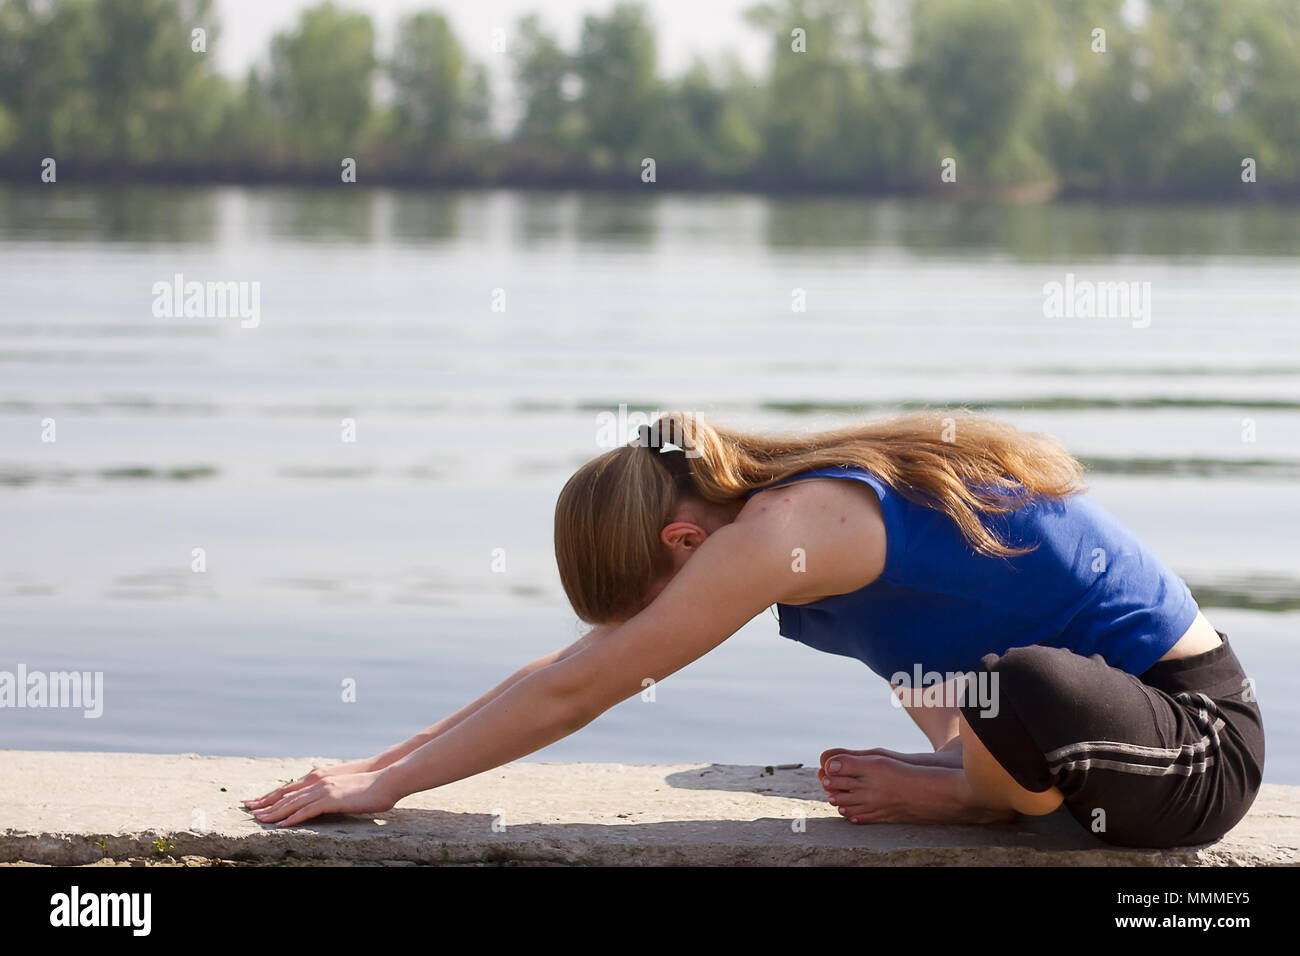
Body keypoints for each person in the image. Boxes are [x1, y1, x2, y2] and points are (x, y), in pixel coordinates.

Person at [243, 409, 1265, 848]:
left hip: (1193, 747)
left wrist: (390, 790)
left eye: (648, 600)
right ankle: (973, 791)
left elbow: (583, 686)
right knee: (1003, 678)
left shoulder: (789, 527)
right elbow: (574, 664)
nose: (650, 630)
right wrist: (380, 763)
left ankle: (971, 806)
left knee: (1028, 679)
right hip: (1070, 770)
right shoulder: (802, 541)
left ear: (684, 541)